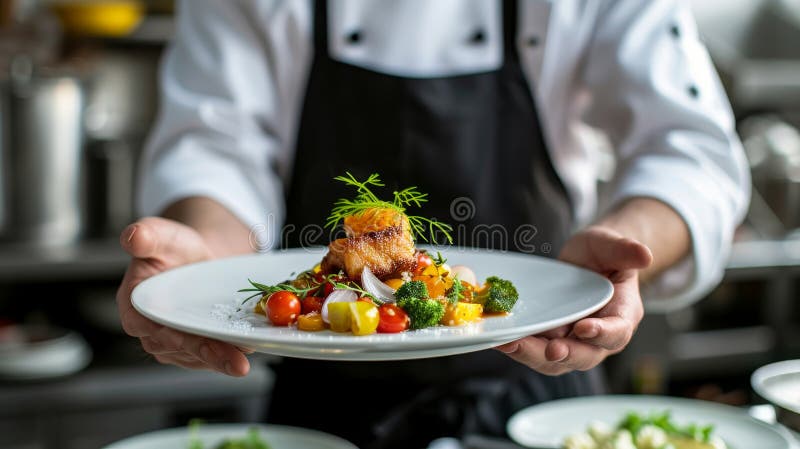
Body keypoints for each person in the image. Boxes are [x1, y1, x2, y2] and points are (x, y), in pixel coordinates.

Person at [116, 1, 750, 447]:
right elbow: (216, 147)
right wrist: (208, 259)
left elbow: (687, 150)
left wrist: (626, 246)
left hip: (539, 374)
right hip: (319, 403)